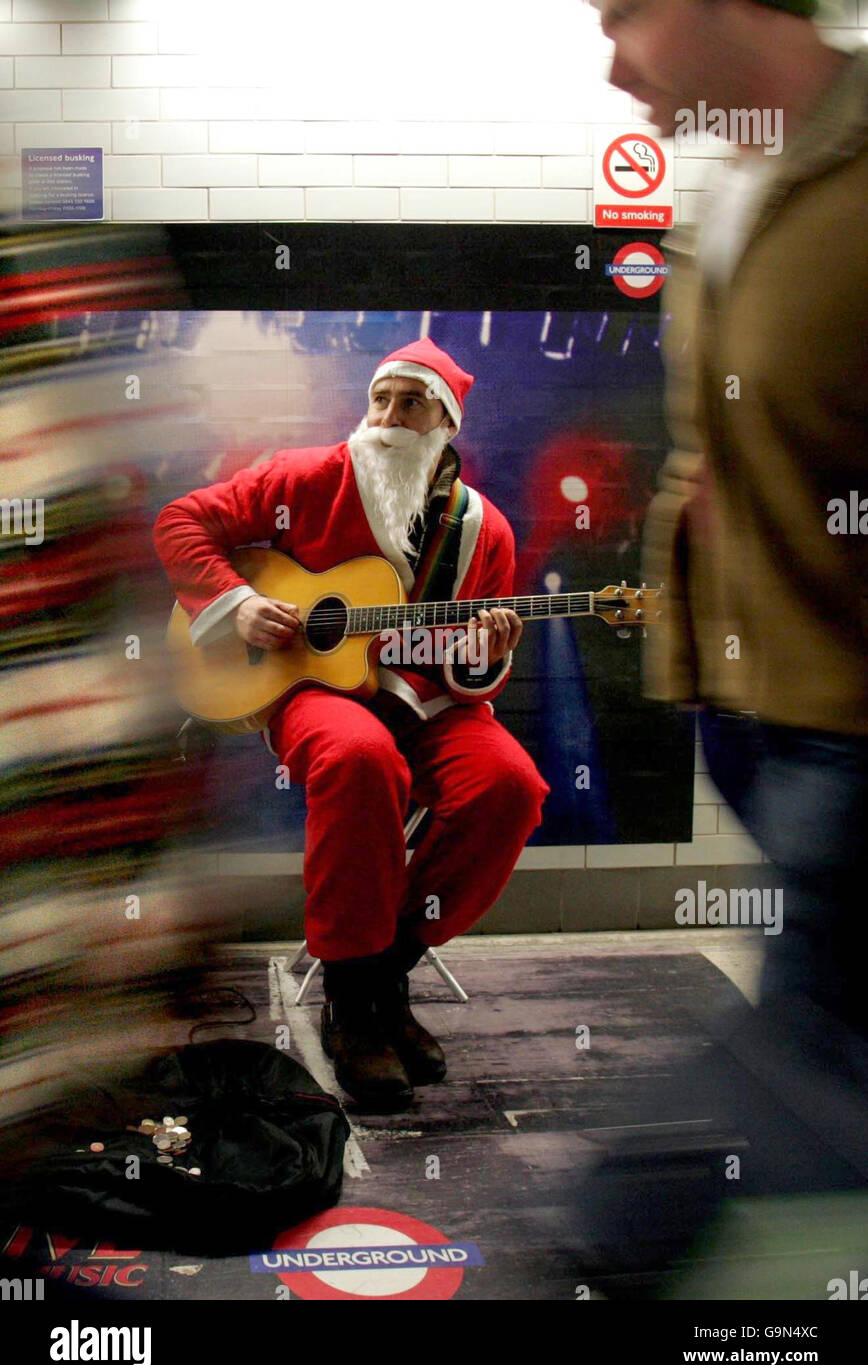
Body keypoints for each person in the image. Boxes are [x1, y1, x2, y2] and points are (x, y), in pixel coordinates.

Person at [576, 0, 868, 1290]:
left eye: (623, 14)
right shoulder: (742, 190)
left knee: (787, 1074)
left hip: (852, 741)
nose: (612, 59)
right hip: (756, 721)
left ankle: (622, 1248)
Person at [154, 337, 549, 1110]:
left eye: (411, 402)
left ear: (447, 419)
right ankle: (354, 1004)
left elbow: (472, 675)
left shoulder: (484, 530)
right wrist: (240, 603)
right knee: (362, 756)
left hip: (430, 704)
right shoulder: (303, 477)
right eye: (381, 398)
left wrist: (483, 651)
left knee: (512, 785)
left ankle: (379, 976)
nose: (389, 417)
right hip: (315, 692)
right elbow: (182, 521)